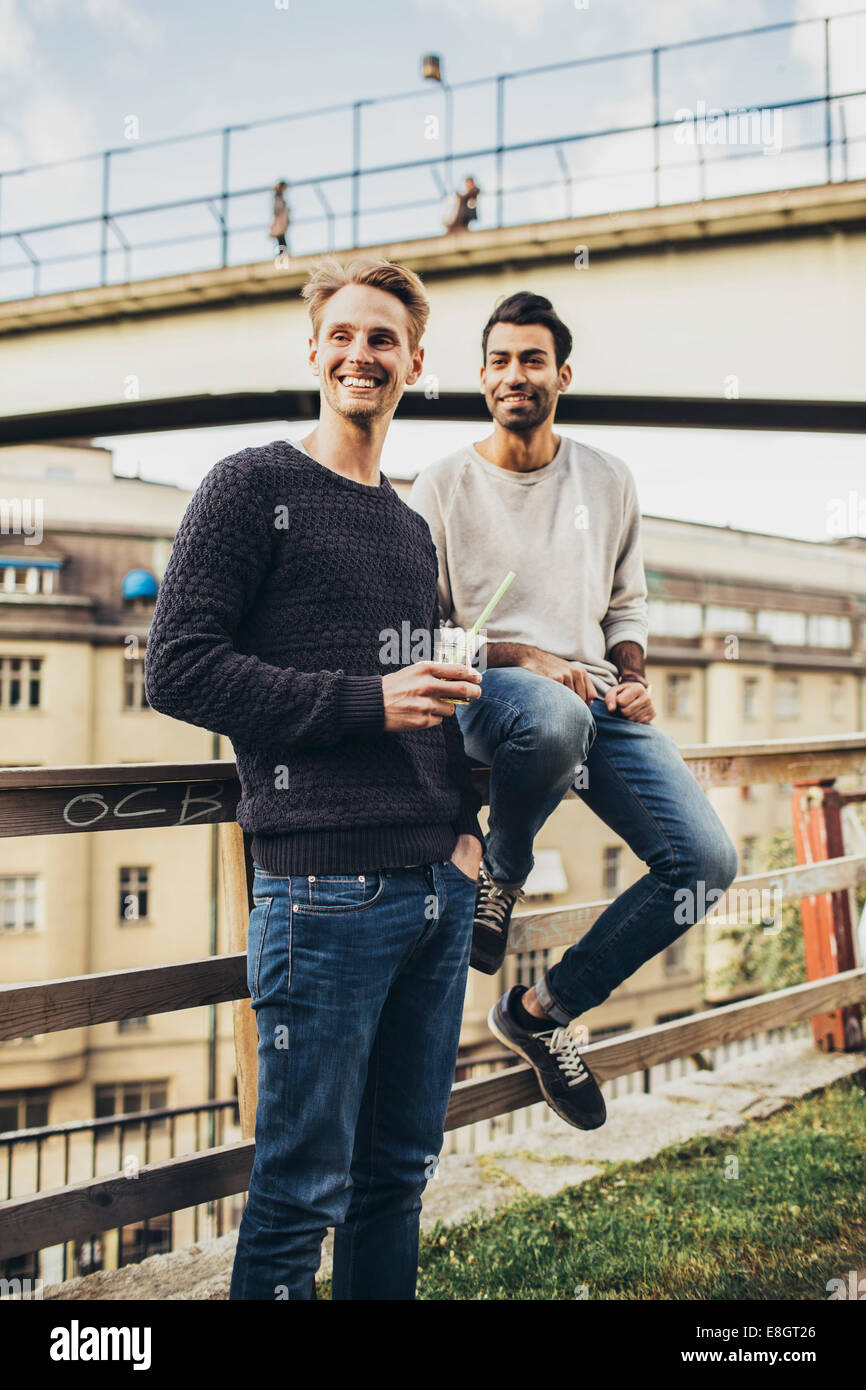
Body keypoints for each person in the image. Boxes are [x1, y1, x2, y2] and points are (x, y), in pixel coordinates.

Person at [144, 256, 484, 1300]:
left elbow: (434, 702)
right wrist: (362, 700)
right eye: (342, 334)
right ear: (313, 350)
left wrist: (466, 827)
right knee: (301, 1186)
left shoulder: (410, 521)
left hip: (433, 888)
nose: (360, 354)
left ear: (413, 363)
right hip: (321, 891)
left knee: (397, 1176)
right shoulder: (251, 484)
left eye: (382, 339)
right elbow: (177, 666)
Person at [408, 291, 738, 1132]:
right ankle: (504, 872)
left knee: (705, 865)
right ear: (482, 376)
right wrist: (530, 659)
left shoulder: (607, 478)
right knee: (552, 717)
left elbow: (626, 606)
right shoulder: (441, 486)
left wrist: (631, 673)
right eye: (499, 360)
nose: (514, 375)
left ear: (562, 374)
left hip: (600, 703)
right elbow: (424, 632)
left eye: (531, 360)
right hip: (498, 697)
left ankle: (542, 1011)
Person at [269, 179, 290, 252]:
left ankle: (282, 255)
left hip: (281, 222)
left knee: (281, 240)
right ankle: (282, 256)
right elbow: (277, 211)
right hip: (280, 222)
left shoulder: (279, 197)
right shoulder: (278, 197)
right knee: (281, 240)